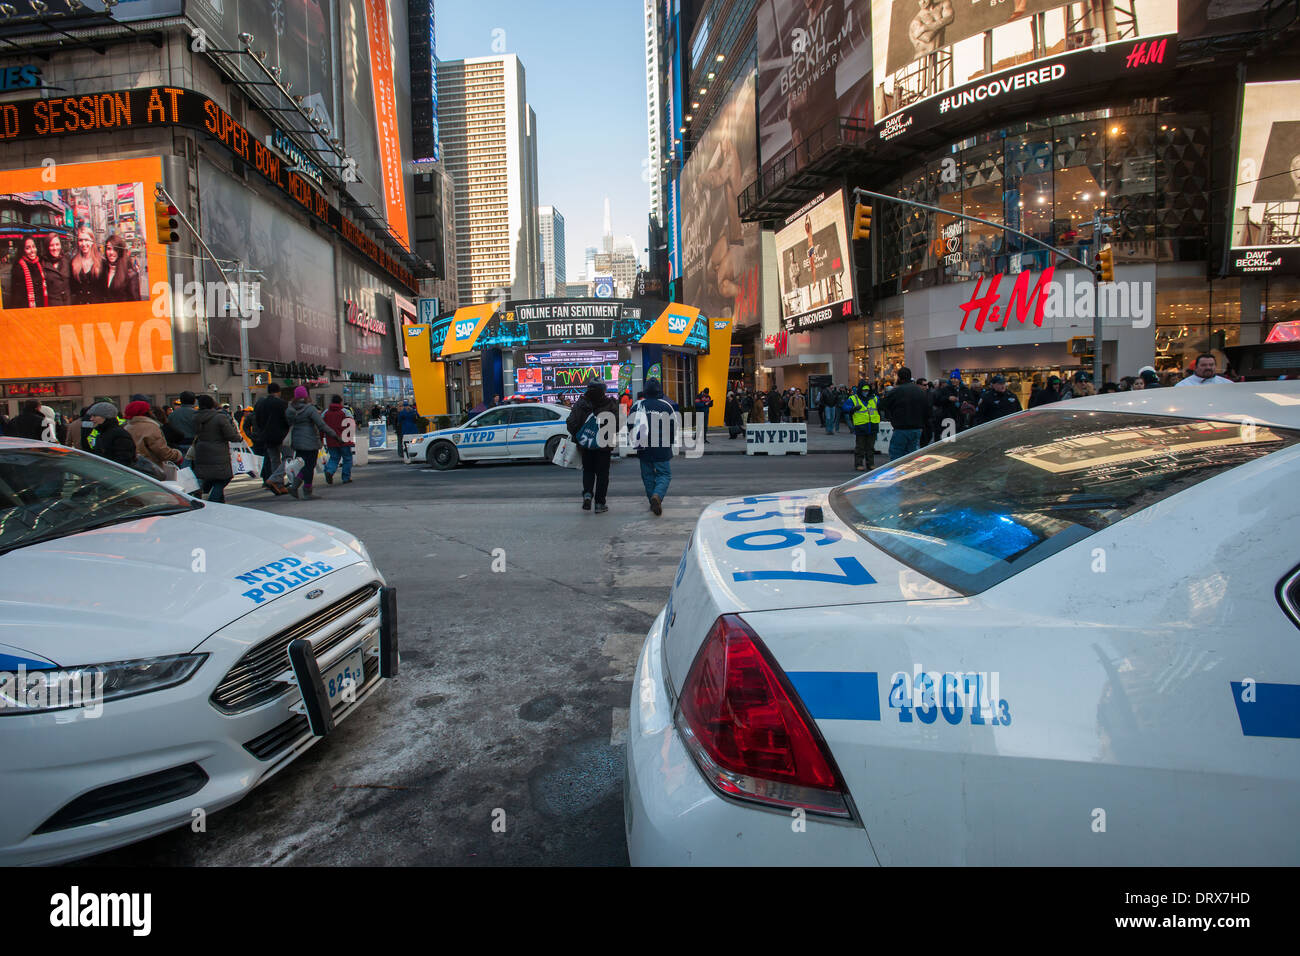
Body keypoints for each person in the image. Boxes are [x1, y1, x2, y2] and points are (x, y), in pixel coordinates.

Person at [566, 380, 619, 513]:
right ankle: (600, 504)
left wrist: (580, 437)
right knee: (602, 474)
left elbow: (571, 423)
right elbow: (618, 425)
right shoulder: (610, 404)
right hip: (604, 445)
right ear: (603, 390)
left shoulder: (580, 404)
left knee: (588, 471)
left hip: (586, 445)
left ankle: (588, 494)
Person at [631, 378, 677, 515]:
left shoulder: (637, 405)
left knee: (647, 475)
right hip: (661, 446)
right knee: (665, 474)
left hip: (643, 445)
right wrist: (669, 443)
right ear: (659, 390)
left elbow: (629, 425)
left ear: (645, 390)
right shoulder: (666, 406)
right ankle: (657, 495)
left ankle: (653, 499)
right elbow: (673, 426)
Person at [285, 386, 340, 499]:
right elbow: (321, 425)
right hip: (310, 441)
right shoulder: (310, 409)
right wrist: (334, 435)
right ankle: (306, 491)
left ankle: (295, 486)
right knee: (309, 466)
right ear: (306, 396)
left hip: (296, 441)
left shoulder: (290, 410)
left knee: (303, 465)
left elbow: (288, 423)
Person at [189, 394, 240, 502]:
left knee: (209, 476)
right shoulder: (219, 417)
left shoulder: (195, 417)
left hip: (201, 450)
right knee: (224, 478)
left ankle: (210, 497)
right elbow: (230, 435)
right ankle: (213, 500)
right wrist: (239, 438)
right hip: (218, 451)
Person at [878, 366, 929, 461]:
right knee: (913, 454)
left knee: (897, 455)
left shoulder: (896, 391)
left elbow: (882, 405)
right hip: (917, 427)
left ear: (899, 378)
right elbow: (927, 410)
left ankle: (898, 474)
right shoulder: (920, 391)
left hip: (901, 427)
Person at [124, 400, 183, 473]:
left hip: (133, 470)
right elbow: (162, 451)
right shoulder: (150, 427)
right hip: (151, 469)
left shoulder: (127, 428)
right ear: (146, 412)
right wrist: (177, 455)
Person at [253, 382, 290, 494]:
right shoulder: (282, 403)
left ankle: (279, 485)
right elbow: (287, 419)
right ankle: (274, 479)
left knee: (275, 460)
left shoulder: (260, 404)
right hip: (282, 435)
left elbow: (256, 420)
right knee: (289, 458)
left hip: (266, 436)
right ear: (278, 392)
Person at [84, 402, 136, 466]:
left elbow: (124, 462)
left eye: (94, 416)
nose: (91, 419)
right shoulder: (101, 433)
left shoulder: (119, 435)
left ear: (105, 417)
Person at [844, 381, 880, 471]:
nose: (866, 391)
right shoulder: (853, 398)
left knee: (870, 447)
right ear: (860, 390)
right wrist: (852, 408)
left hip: (872, 425)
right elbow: (844, 407)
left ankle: (870, 464)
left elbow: (881, 405)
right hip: (861, 426)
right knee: (860, 447)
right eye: (864, 390)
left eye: (867, 390)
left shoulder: (874, 398)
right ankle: (858, 464)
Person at [5, 237, 48, 309]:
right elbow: (16, 297)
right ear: (23, 250)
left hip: (42, 308)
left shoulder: (40, 264)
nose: (32, 251)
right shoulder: (18, 268)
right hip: (26, 310)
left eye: (34, 247)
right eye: (28, 248)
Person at [322, 395, 355, 485]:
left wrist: (321, 438)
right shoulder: (345, 412)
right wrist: (350, 438)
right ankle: (346, 478)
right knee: (347, 458)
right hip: (344, 440)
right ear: (340, 402)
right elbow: (351, 425)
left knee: (334, 457)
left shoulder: (325, 413)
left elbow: (321, 425)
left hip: (331, 440)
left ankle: (330, 471)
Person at [68, 225, 104, 306]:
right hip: (80, 310)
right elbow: (72, 290)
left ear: (92, 241)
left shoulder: (102, 263)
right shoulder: (73, 263)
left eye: (86, 240)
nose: (83, 244)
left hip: (97, 310)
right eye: (81, 240)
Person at [102, 234, 140, 302]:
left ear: (120, 251)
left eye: (115, 249)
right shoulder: (104, 270)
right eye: (109, 249)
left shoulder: (130, 274)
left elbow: (136, 302)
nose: (111, 252)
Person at [42, 235, 71, 307]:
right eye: (51, 245)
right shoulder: (42, 264)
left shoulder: (67, 261)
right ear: (47, 247)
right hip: (52, 307)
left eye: (57, 244)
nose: (55, 248)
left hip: (68, 306)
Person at [168, 391, 199, 456]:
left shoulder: (172, 415)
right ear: (193, 401)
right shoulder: (197, 414)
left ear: (181, 400)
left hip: (178, 444)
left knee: (183, 464)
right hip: (194, 443)